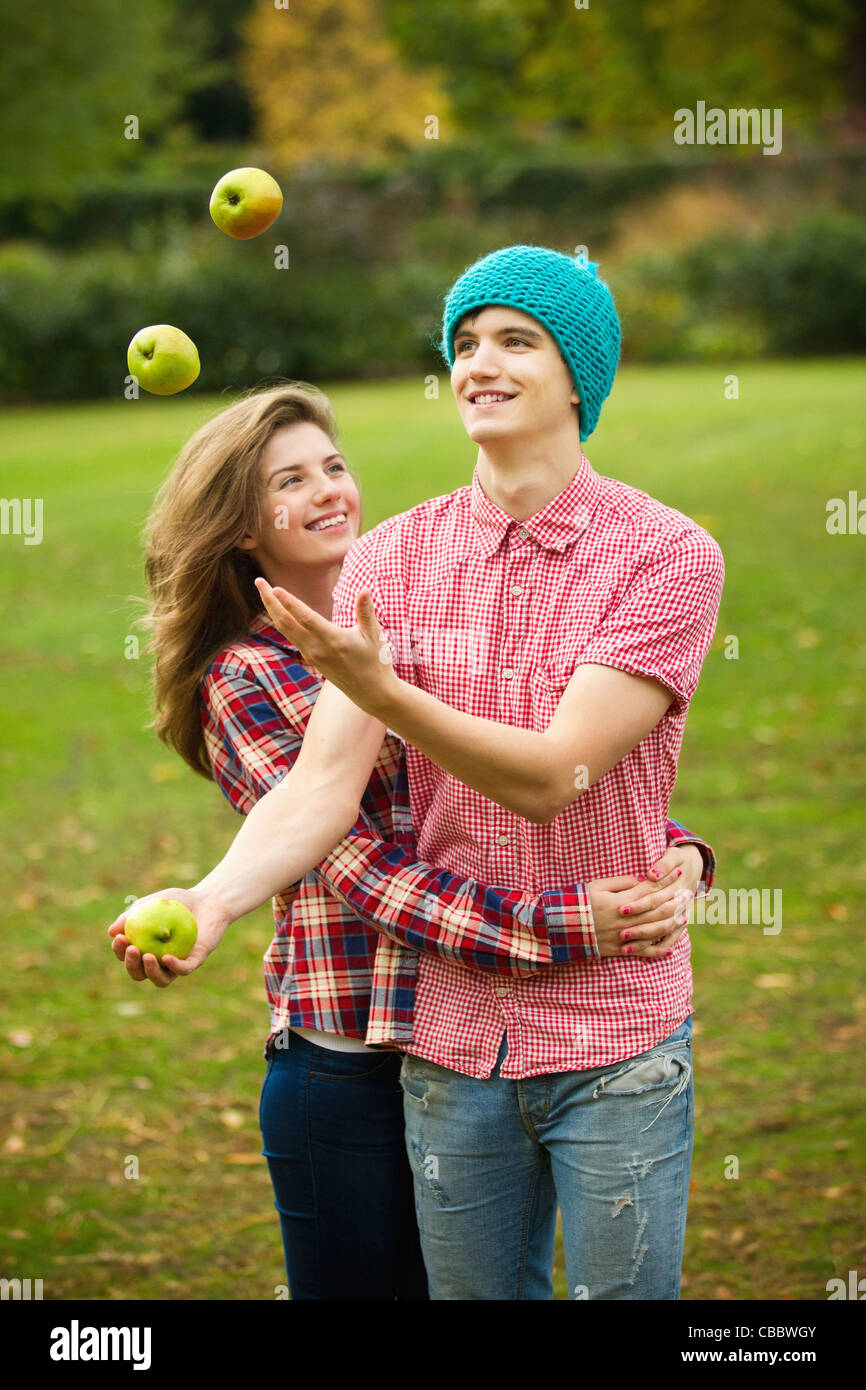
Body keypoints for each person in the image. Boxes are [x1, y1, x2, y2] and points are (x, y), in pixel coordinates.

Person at [110, 243, 724, 1300]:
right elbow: (320, 790)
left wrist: (677, 851)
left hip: (612, 1030)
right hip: (446, 1041)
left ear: (579, 376)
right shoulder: (389, 561)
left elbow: (555, 776)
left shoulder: (666, 554)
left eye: (514, 341)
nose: (478, 361)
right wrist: (209, 901)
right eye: (464, 342)